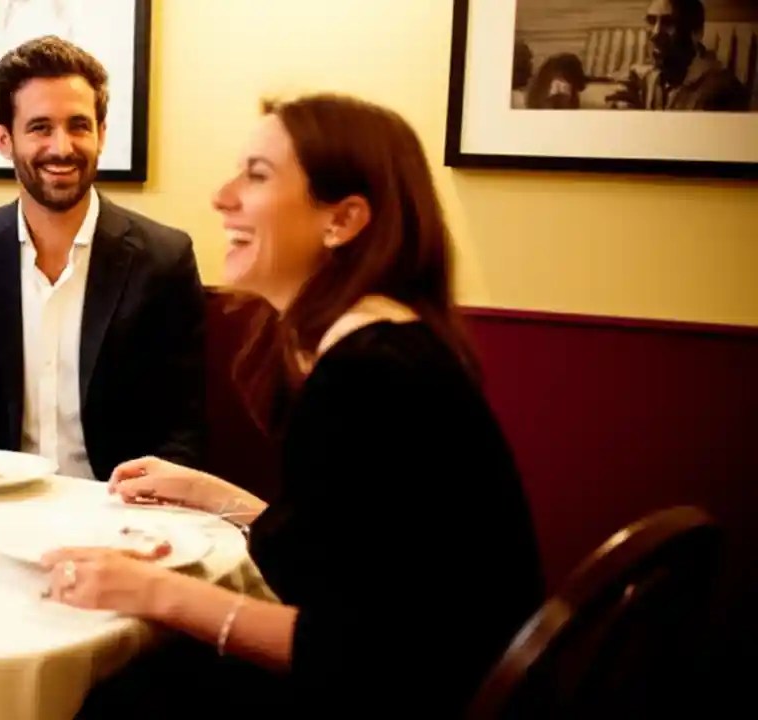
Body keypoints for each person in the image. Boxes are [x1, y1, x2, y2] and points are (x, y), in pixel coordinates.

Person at [40, 93, 545, 717]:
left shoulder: (369, 377)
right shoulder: (390, 346)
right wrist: (214, 495)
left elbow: (352, 651)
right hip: (424, 678)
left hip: (411, 699)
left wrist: (151, 591)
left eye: (256, 175)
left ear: (342, 220)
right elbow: (360, 554)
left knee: (113, 699)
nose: (222, 197)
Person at [0, 36, 208, 482]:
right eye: (39, 127)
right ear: (3, 139)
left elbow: (184, 427)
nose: (62, 147)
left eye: (78, 125)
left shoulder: (164, 259)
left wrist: (145, 513)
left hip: (117, 512)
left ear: (101, 133)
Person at [606, 0, 749, 111]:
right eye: (651, 21)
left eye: (668, 23)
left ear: (697, 33)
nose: (655, 33)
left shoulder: (722, 90)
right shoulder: (647, 79)